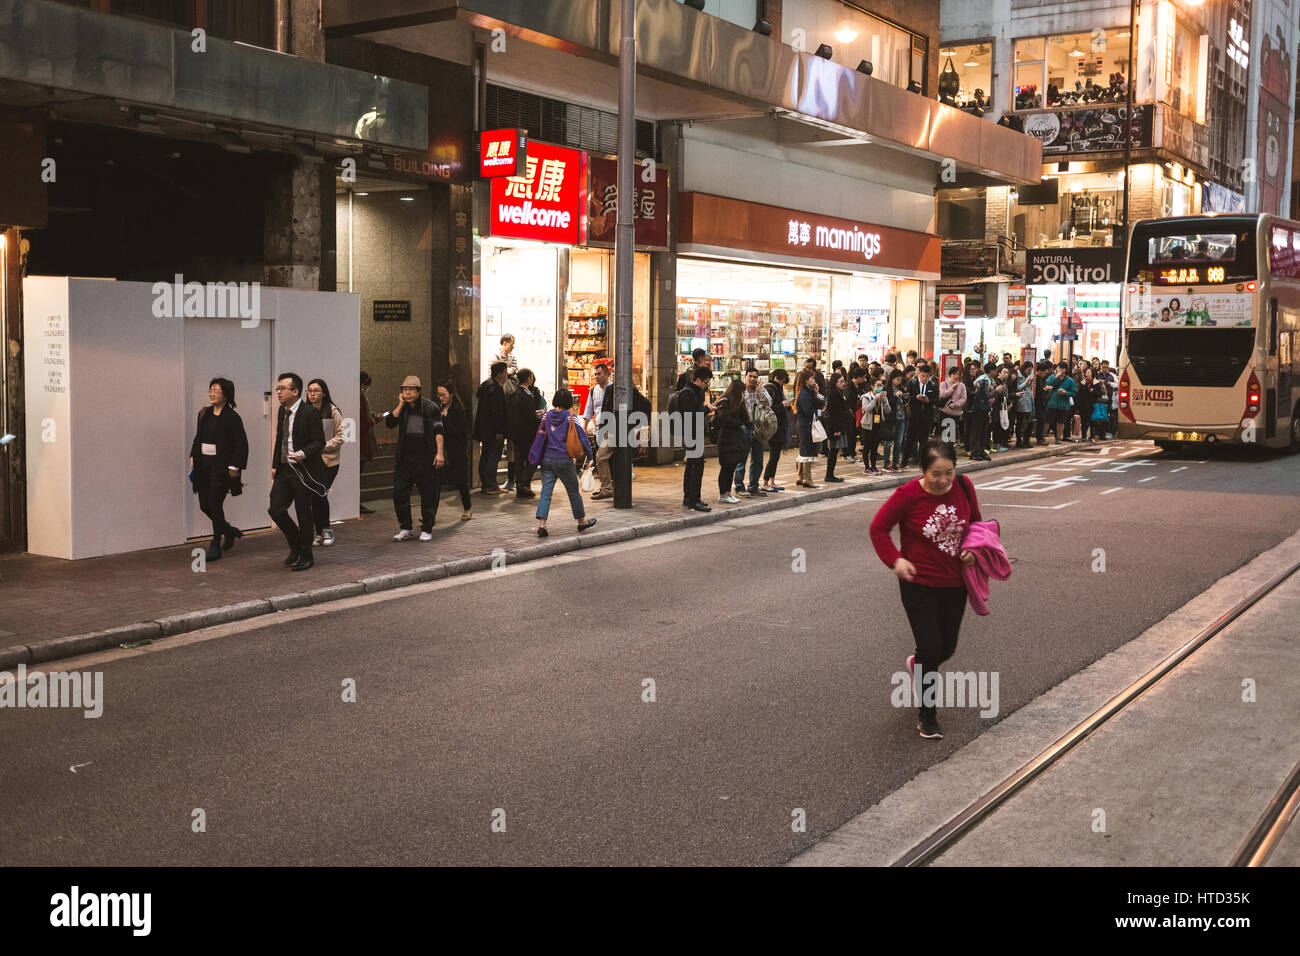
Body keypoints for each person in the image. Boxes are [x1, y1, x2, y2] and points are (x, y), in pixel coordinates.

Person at [869, 439, 981, 740]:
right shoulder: (907, 495)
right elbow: (878, 529)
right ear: (923, 471)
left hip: (955, 584)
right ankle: (927, 716)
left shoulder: (965, 486)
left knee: (947, 647)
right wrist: (896, 561)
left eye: (949, 472)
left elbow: (976, 526)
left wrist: (973, 552)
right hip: (917, 583)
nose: (944, 480)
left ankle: (919, 665)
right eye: (936, 474)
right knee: (930, 648)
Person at [269, 372, 326, 571]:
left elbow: (320, 442)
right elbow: (279, 438)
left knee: (304, 514)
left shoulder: (309, 412)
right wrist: (275, 464)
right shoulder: (281, 411)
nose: (278, 392)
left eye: (282, 389)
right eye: (278, 388)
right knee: (275, 509)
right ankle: (295, 545)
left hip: (304, 470)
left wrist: (303, 452)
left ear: (295, 391)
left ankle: (306, 555)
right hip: (285, 469)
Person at [188, 377, 248, 563]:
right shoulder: (204, 413)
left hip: (221, 468)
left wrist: (234, 467)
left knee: (214, 504)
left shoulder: (232, 418)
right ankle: (229, 531)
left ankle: (215, 543)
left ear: (226, 395)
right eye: (211, 389)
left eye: (217, 390)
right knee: (204, 505)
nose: (212, 393)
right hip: (203, 465)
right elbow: (198, 438)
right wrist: (192, 456)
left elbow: (241, 445)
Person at [384, 375, 445, 541]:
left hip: (426, 459)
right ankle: (405, 527)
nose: (407, 392)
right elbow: (389, 422)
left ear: (419, 391)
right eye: (404, 390)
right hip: (405, 460)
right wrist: (401, 403)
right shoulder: (402, 407)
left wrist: (439, 453)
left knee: (428, 495)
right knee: (399, 493)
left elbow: (439, 431)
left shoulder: (430, 407)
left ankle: (427, 528)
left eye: (411, 390)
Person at [530, 389, 597, 537]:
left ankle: (542, 525)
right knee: (573, 492)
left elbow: (540, 435)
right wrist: (590, 455)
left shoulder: (547, 416)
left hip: (547, 459)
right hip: (564, 460)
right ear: (569, 401)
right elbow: (582, 436)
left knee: (546, 493)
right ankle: (581, 521)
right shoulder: (570, 417)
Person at [306, 379, 344, 548]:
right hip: (310, 462)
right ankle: (319, 532)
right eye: (309, 390)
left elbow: (340, 436)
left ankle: (326, 529)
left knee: (320, 493)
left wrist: (321, 447)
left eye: (316, 390)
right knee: (314, 497)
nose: (312, 394)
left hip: (329, 462)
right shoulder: (304, 412)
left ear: (324, 393)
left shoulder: (332, 411)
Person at [434, 382, 473, 522]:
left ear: (451, 394)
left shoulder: (458, 410)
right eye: (439, 395)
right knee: (435, 483)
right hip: (441, 450)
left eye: (444, 395)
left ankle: (467, 509)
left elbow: (457, 431)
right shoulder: (438, 408)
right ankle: (430, 513)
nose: (441, 398)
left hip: (456, 451)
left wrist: (443, 419)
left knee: (461, 482)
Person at [507, 368, 545, 499]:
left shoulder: (517, 393)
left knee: (520, 460)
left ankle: (522, 487)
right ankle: (522, 484)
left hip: (518, 433)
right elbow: (528, 416)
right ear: (529, 378)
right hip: (526, 433)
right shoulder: (524, 394)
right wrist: (538, 416)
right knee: (532, 459)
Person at [679, 365, 713, 511]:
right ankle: (694, 499)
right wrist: (707, 409)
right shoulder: (688, 394)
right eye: (706, 382)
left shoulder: (693, 392)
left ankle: (689, 497)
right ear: (698, 380)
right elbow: (691, 415)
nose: (707, 386)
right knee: (696, 466)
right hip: (692, 434)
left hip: (693, 433)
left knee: (692, 465)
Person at [473, 361, 509, 494]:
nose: (506, 375)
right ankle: (491, 485)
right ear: (499, 373)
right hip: (493, 431)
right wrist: (499, 431)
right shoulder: (495, 389)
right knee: (493, 456)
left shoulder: (486, 386)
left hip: (485, 429)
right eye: (505, 373)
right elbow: (496, 412)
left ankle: (486, 484)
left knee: (486, 455)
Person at [736, 367, 772, 497]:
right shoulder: (740, 391)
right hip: (744, 427)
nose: (752, 379)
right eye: (750, 376)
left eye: (755, 377)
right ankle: (739, 486)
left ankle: (753, 486)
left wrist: (760, 390)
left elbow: (769, 404)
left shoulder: (761, 391)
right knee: (741, 459)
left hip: (758, 428)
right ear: (745, 377)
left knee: (757, 459)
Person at [582, 359, 615, 500]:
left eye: (599, 374)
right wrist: (584, 427)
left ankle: (607, 488)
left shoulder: (613, 389)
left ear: (607, 374)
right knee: (601, 460)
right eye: (595, 374)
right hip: (598, 429)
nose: (596, 377)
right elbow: (589, 410)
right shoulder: (593, 390)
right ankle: (606, 487)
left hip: (611, 429)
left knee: (601, 458)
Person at [713, 378, 749, 504]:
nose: (743, 395)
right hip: (726, 439)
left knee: (731, 467)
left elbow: (746, 419)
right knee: (726, 468)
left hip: (735, 440)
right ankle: (723, 494)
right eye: (742, 393)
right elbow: (725, 419)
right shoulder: (724, 402)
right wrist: (740, 424)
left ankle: (728, 493)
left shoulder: (737, 403)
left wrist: (743, 404)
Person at [902, 363, 939, 468]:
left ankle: (921, 461)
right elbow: (906, 397)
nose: (925, 378)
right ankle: (904, 460)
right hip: (913, 416)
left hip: (926, 416)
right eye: (923, 376)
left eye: (927, 376)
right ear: (919, 374)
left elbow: (937, 400)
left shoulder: (933, 385)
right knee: (909, 439)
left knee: (924, 440)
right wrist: (915, 397)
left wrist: (929, 400)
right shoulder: (912, 383)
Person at [761, 367, 790, 493]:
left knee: (776, 456)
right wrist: (783, 404)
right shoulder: (770, 388)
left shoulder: (778, 388)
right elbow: (769, 408)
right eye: (782, 381)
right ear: (777, 378)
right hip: (773, 426)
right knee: (773, 456)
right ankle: (765, 482)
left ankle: (772, 480)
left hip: (779, 425)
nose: (783, 383)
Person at [794, 367, 823, 488]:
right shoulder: (804, 394)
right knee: (807, 451)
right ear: (806, 380)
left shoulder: (808, 392)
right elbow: (809, 411)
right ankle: (807, 478)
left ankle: (801, 477)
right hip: (806, 426)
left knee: (805, 450)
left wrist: (817, 393)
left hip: (806, 425)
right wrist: (820, 411)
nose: (814, 381)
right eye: (812, 379)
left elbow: (820, 402)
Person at [822, 369, 852, 483]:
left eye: (843, 381)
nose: (843, 383)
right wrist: (836, 429)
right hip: (835, 427)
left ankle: (830, 474)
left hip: (839, 426)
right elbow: (834, 414)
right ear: (835, 383)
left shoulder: (839, 393)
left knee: (834, 451)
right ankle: (829, 475)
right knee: (833, 451)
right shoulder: (833, 395)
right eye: (840, 381)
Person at [359, 371, 379, 514]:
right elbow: (363, 423)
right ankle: (356, 503)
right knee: (358, 473)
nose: (366, 389)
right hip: (360, 442)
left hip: (360, 441)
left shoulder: (361, 398)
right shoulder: (360, 399)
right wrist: (375, 420)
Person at [859, 371, 887, 475]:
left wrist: (884, 401)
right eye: (878, 385)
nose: (880, 387)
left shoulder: (883, 396)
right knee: (867, 447)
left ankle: (874, 466)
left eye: (881, 385)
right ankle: (867, 467)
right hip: (867, 426)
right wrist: (875, 399)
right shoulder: (866, 397)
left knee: (875, 448)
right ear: (872, 386)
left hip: (878, 425)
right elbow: (867, 409)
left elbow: (888, 410)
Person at [881, 369, 907, 471]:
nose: (899, 381)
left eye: (900, 380)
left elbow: (904, 402)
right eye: (897, 379)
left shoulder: (901, 388)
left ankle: (895, 463)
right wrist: (896, 397)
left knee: (898, 442)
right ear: (892, 379)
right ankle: (886, 464)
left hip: (902, 418)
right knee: (888, 442)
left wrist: (904, 396)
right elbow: (888, 404)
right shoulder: (886, 389)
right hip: (891, 419)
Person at [1044, 361, 1077, 442]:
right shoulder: (1052, 377)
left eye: (1062, 368)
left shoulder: (1070, 380)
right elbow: (1047, 385)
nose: (1060, 370)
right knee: (1047, 420)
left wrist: (1066, 393)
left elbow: (1074, 392)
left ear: (1065, 370)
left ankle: (1058, 438)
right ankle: (1042, 438)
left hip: (1063, 404)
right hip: (1052, 403)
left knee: (1061, 422)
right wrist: (1056, 377)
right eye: (1059, 368)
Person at [967, 364, 993, 461]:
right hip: (977, 409)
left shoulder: (985, 379)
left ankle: (981, 451)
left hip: (984, 409)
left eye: (975, 369)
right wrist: (995, 391)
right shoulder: (980, 380)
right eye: (971, 369)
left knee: (984, 431)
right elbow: (983, 395)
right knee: (977, 431)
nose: (974, 371)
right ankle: (975, 452)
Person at [937, 366, 966, 447]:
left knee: (952, 437)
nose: (956, 376)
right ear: (950, 375)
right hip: (944, 412)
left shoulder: (962, 385)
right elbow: (943, 395)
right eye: (954, 374)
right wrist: (952, 389)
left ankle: (950, 453)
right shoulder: (944, 384)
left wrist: (956, 404)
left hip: (955, 414)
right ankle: (942, 453)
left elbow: (964, 398)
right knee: (943, 435)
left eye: (957, 374)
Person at [1014, 361, 1036, 448]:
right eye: (1028, 370)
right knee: (1020, 423)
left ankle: (1026, 441)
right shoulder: (1018, 376)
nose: (1029, 372)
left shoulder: (1027, 376)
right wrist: (1026, 382)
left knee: (1030, 423)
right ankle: (1019, 441)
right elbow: (1017, 388)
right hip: (1021, 402)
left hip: (1029, 402)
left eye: (1031, 370)